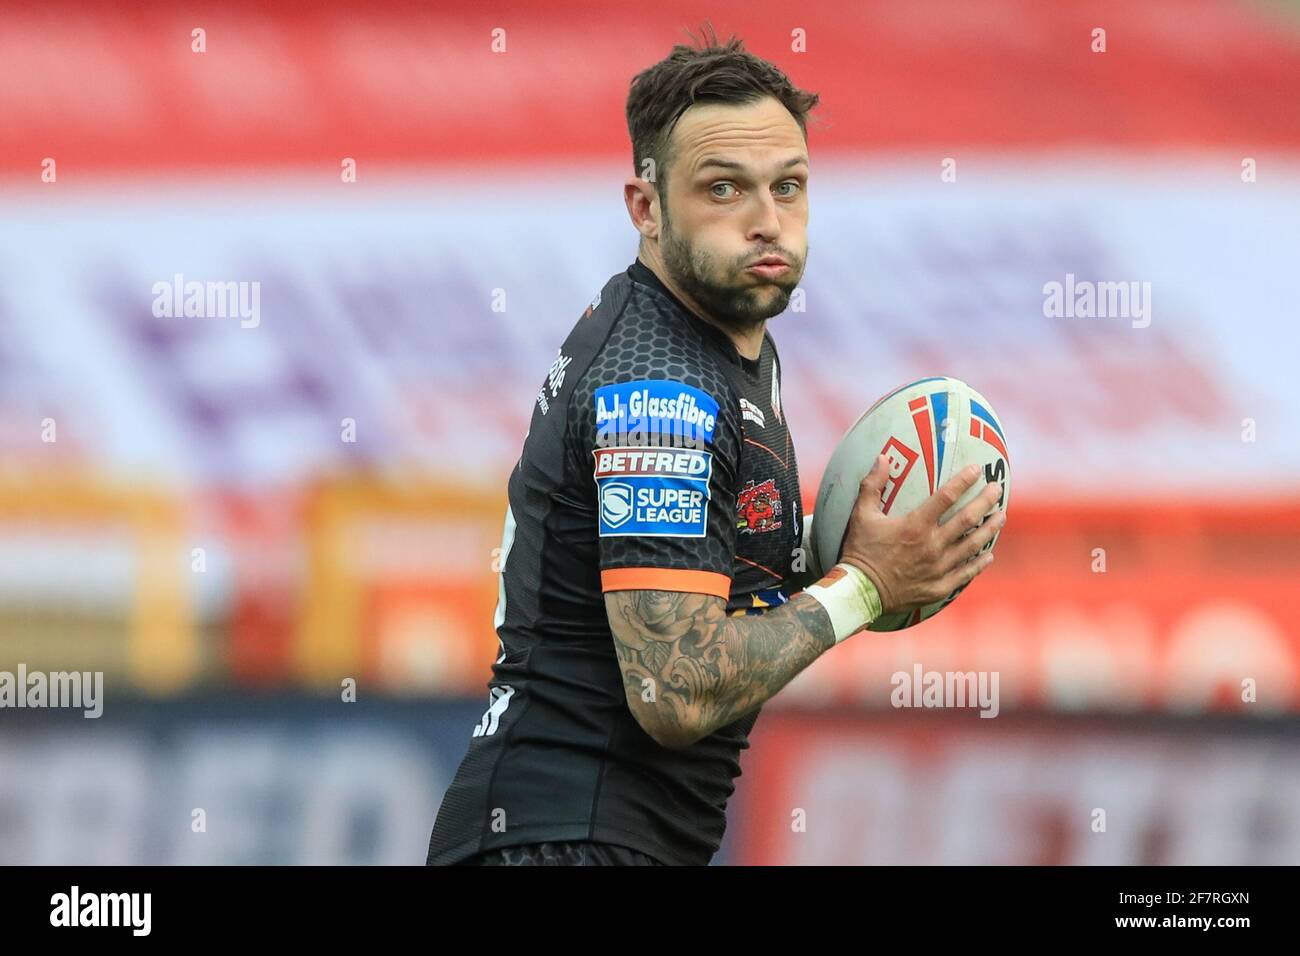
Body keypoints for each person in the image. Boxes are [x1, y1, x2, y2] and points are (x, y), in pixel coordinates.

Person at [426, 28, 1003, 867]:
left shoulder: (717, 340)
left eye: (790, 187)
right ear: (646, 207)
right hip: (561, 838)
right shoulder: (660, 390)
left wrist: (831, 562)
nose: (768, 221)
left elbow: (702, 597)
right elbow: (674, 688)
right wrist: (865, 586)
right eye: (724, 189)